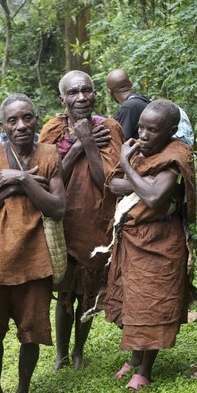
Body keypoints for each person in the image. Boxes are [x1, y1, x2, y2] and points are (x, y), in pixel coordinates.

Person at [0, 94, 65, 393]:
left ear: (36, 119)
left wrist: (23, 178)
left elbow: (57, 207)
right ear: (3, 126)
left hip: (34, 259)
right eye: (12, 121)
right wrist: (9, 188)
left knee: (32, 332)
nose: (21, 125)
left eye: (27, 118)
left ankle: (22, 390)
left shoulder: (50, 154)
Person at [102, 100, 196, 391]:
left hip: (160, 240)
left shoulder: (176, 155)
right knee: (134, 301)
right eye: (140, 127)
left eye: (152, 130)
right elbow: (114, 185)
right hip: (133, 237)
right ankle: (134, 357)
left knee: (153, 303)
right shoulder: (142, 150)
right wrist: (143, 180)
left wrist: (130, 167)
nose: (142, 134)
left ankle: (145, 369)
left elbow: (155, 199)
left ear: (170, 131)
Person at [39, 71, 124, 370]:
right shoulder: (53, 131)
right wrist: (77, 146)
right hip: (63, 223)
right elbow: (47, 180)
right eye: (73, 93)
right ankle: (61, 354)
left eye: (86, 90)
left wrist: (90, 143)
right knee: (64, 293)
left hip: (96, 221)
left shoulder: (110, 128)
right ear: (62, 99)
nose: (81, 98)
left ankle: (78, 352)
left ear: (95, 93)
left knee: (87, 292)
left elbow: (108, 181)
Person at [105, 69, 195, 145]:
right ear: (131, 82)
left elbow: (120, 143)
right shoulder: (143, 100)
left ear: (109, 92)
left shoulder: (129, 107)